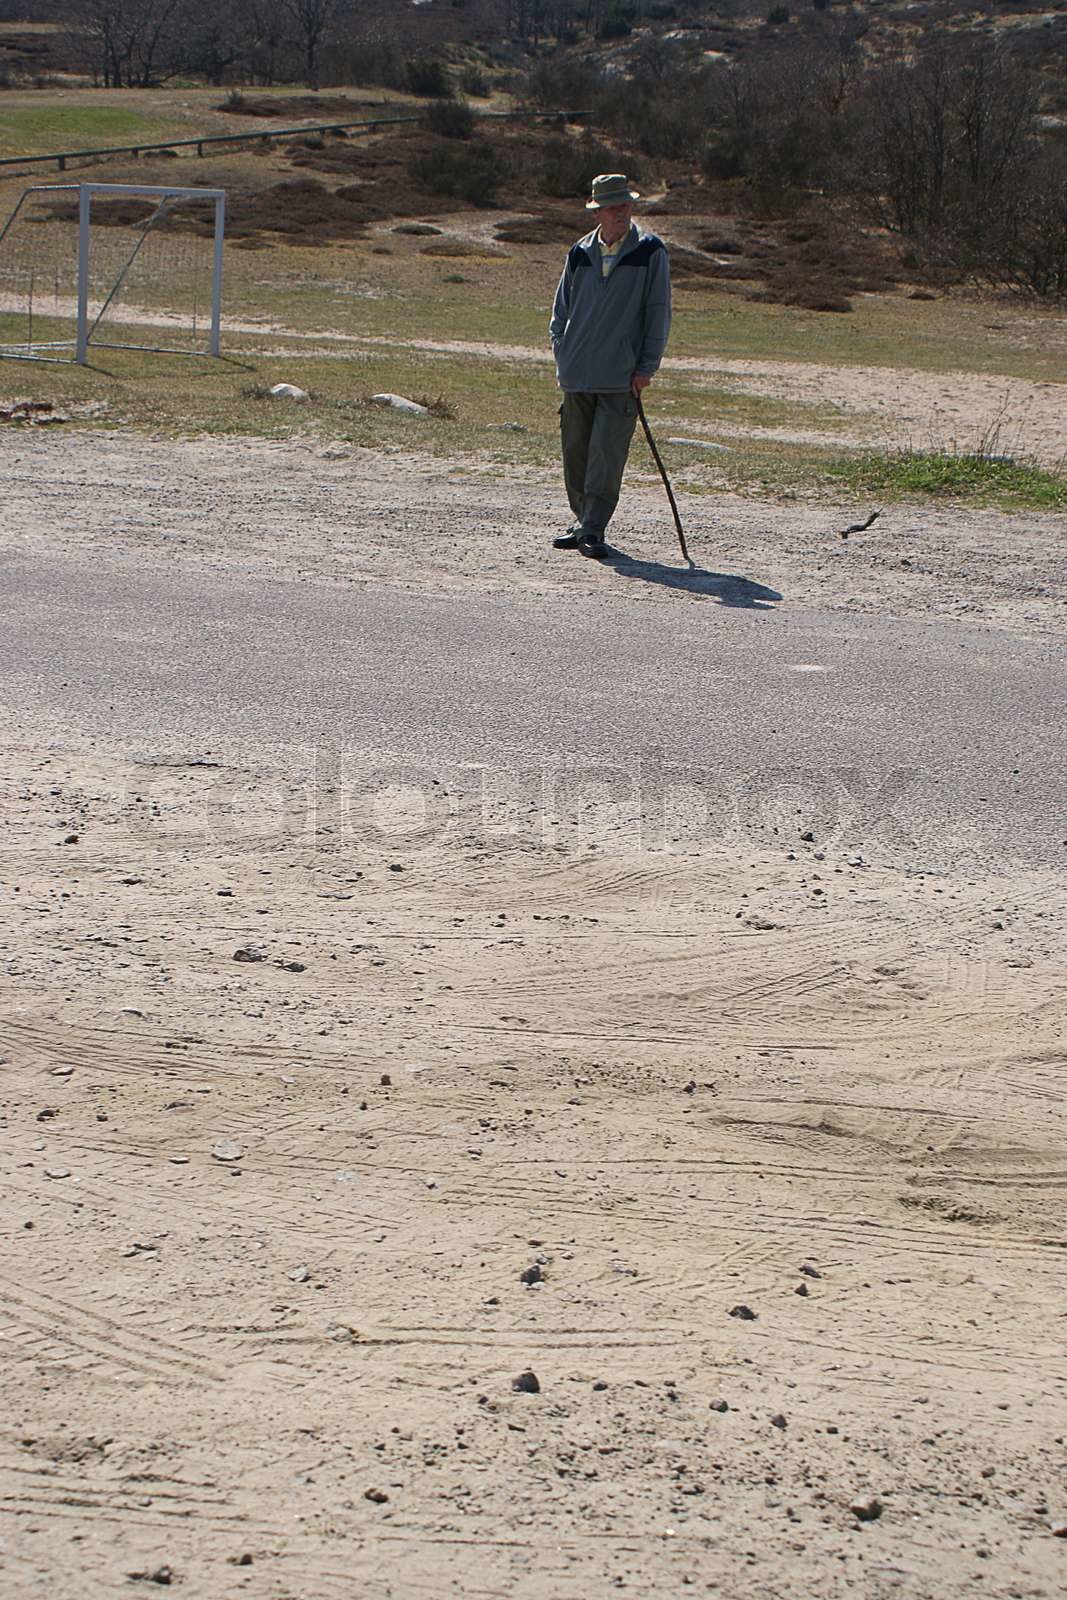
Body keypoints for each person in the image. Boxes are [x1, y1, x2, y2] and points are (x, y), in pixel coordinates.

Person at [549, 173, 672, 559]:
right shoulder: (579, 253)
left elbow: (658, 314)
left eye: (626, 205)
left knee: (607, 452)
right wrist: (563, 351)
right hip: (577, 373)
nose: (622, 212)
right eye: (613, 206)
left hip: (621, 375)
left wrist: (646, 368)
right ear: (597, 211)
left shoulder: (650, 252)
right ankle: (582, 519)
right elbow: (560, 311)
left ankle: (593, 527)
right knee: (576, 450)